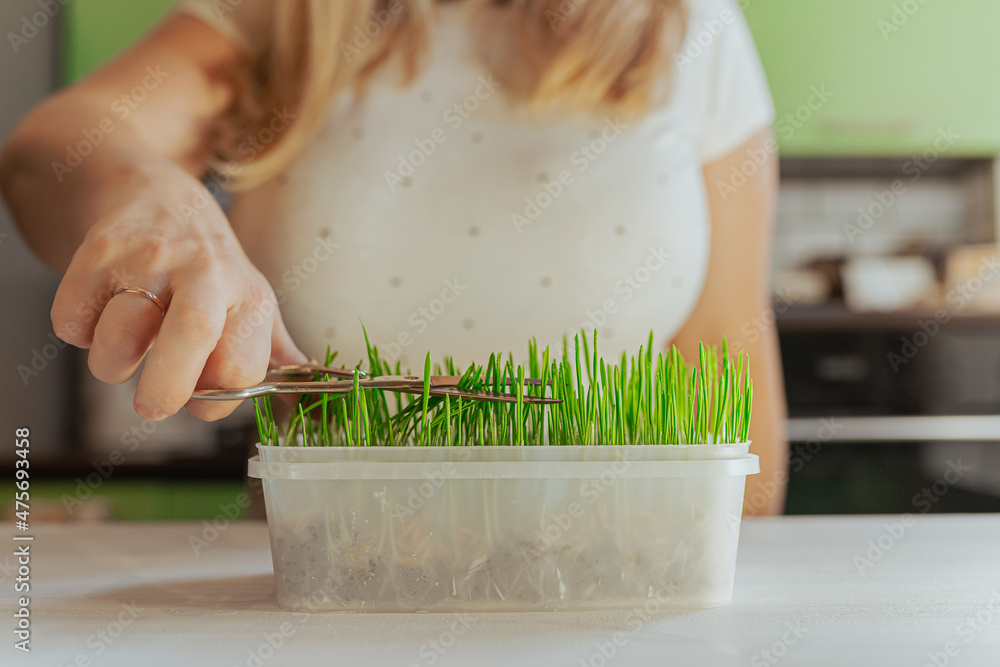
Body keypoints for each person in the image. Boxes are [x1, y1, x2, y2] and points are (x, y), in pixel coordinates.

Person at [0, 0, 787, 514]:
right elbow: (51, 150)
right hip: (327, 601)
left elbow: (731, 372)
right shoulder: (291, 16)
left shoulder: (692, 24)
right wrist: (147, 194)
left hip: (618, 594)